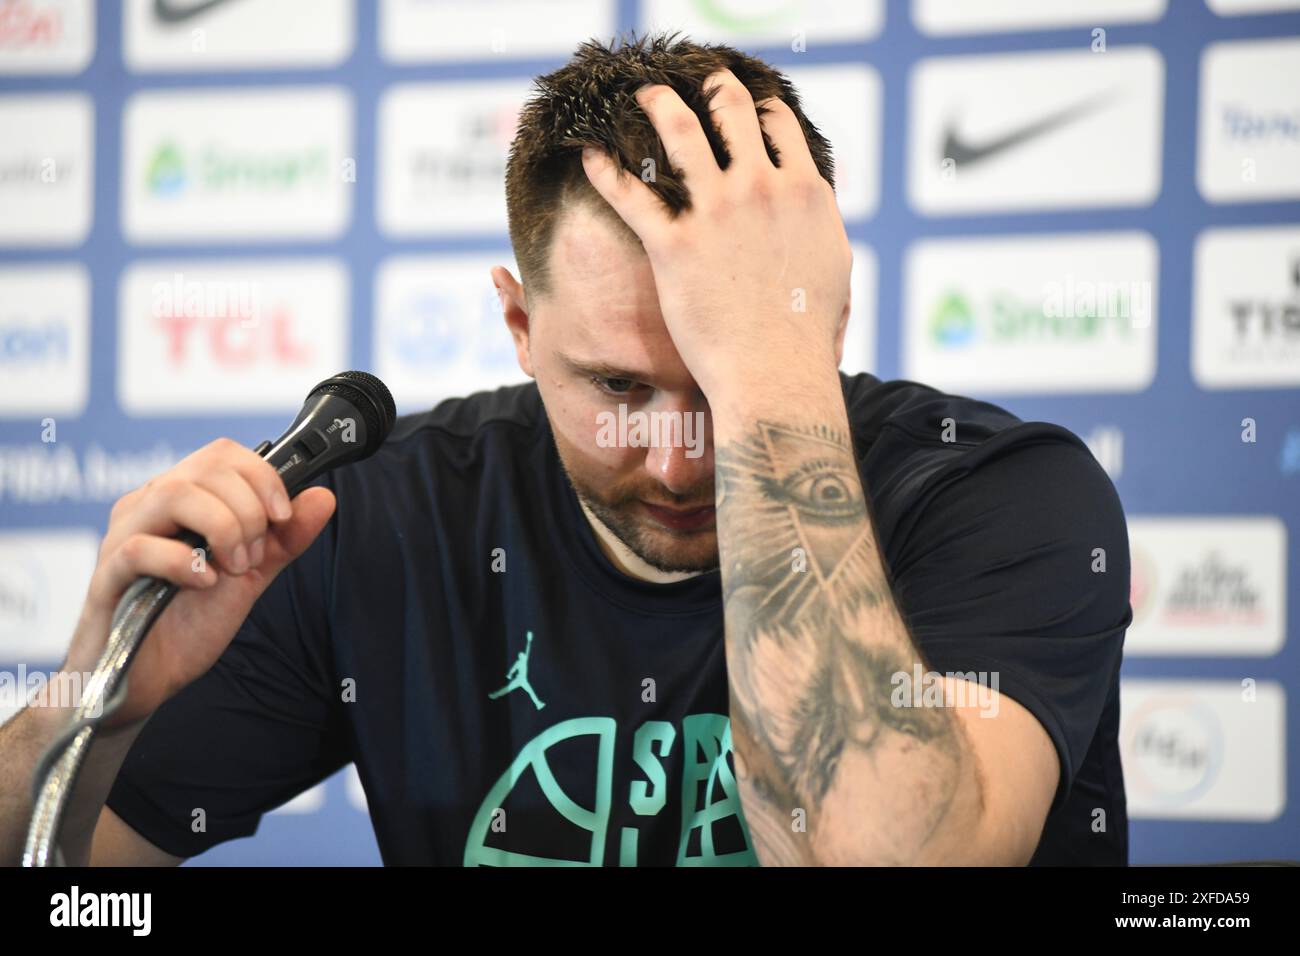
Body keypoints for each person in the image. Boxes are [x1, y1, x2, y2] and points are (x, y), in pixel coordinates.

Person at [0, 31, 1129, 867]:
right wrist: (94, 703)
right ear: (521, 329)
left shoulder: (1001, 495)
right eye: (618, 386)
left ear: (822, 322)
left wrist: (772, 376)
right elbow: (64, 877)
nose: (681, 462)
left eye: (720, 384)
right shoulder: (376, 522)